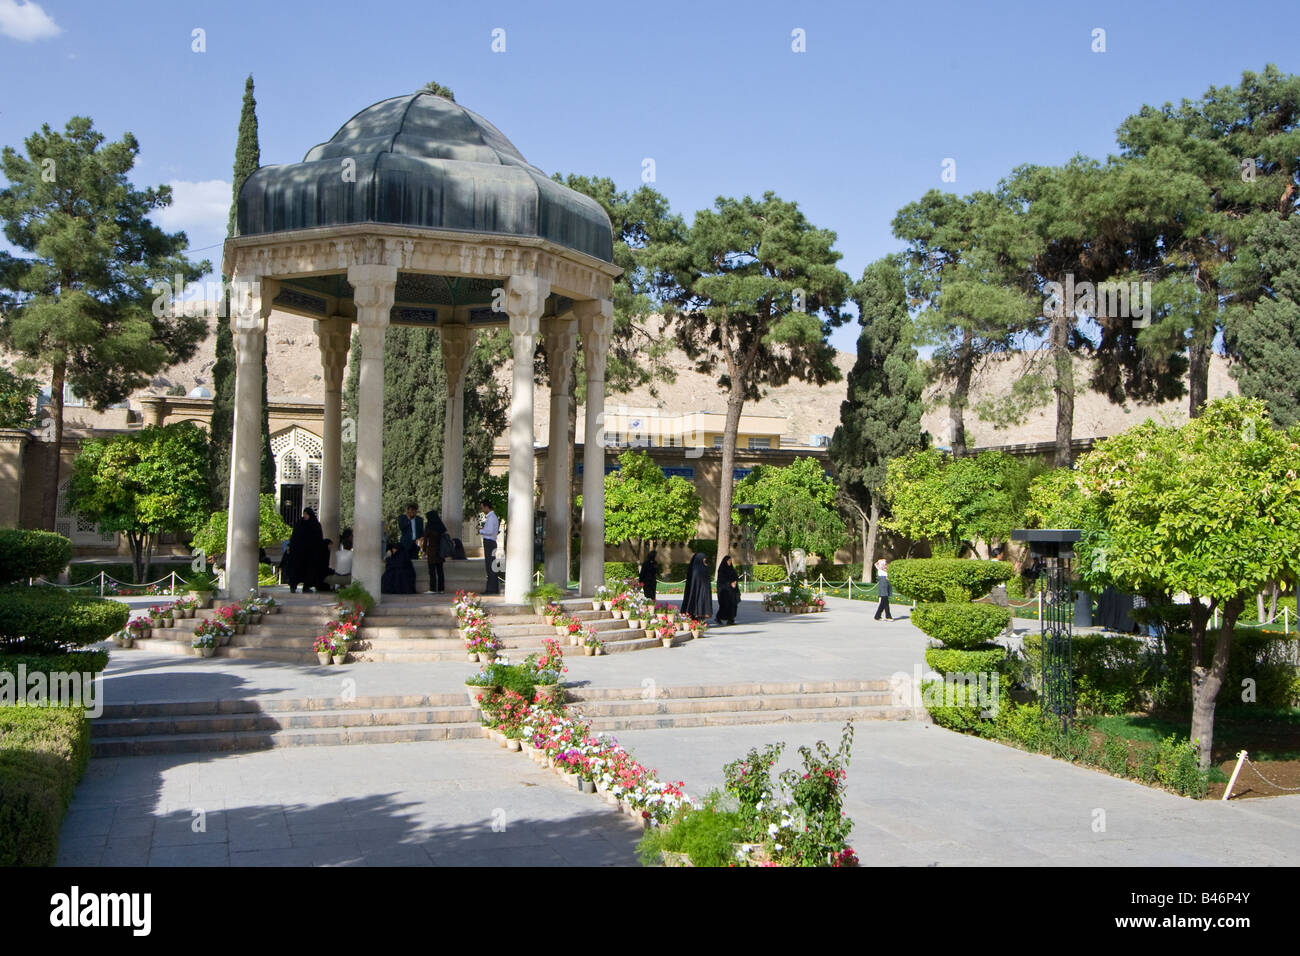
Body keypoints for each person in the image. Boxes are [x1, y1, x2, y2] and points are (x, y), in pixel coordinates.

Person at [286, 507, 325, 593]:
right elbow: (294, 537)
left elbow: (318, 539)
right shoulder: (299, 524)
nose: (304, 516)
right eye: (304, 514)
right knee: (296, 569)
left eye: (306, 514)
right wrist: (290, 546)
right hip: (298, 552)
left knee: (309, 571)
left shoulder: (315, 525)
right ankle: (293, 586)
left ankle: (306, 587)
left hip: (310, 554)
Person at [680, 552, 713, 621]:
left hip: (703, 590)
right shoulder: (696, 569)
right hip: (698, 591)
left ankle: (700, 618)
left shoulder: (702, 567)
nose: (705, 560)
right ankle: (695, 617)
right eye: (704, 559)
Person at [422, 508, 448, 594]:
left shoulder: (429, 526)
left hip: (432, 551)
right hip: (440, 551)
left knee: (432, 571)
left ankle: (432, 588)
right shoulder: (440, 526)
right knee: (440, 571)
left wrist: (424, 551)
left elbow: (425, 540)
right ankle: (441, 589)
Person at [479, 499, 500, 594]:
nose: (482, 509)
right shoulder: (491, 517)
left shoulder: (491, 518)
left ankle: (492, 589)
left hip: (490, 542)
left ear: (487, 507)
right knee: (490, 565)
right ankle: (492, 588)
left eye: (483, 507)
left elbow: (490, 531)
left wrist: (481, 531)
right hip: (490, 542)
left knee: (490, 566)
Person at [715, 554, 739, 626]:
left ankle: (731, 619)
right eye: (728, 561)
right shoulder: (722, 569)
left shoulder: (731, 569)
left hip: (732, 590)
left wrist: (735, 582)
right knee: (725, 605)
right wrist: (729, 583)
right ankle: (718, 618)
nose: (729, 562)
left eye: (730, 561)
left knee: (733, 604)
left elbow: (735, 576)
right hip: (724, 591)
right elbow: (721, 580)